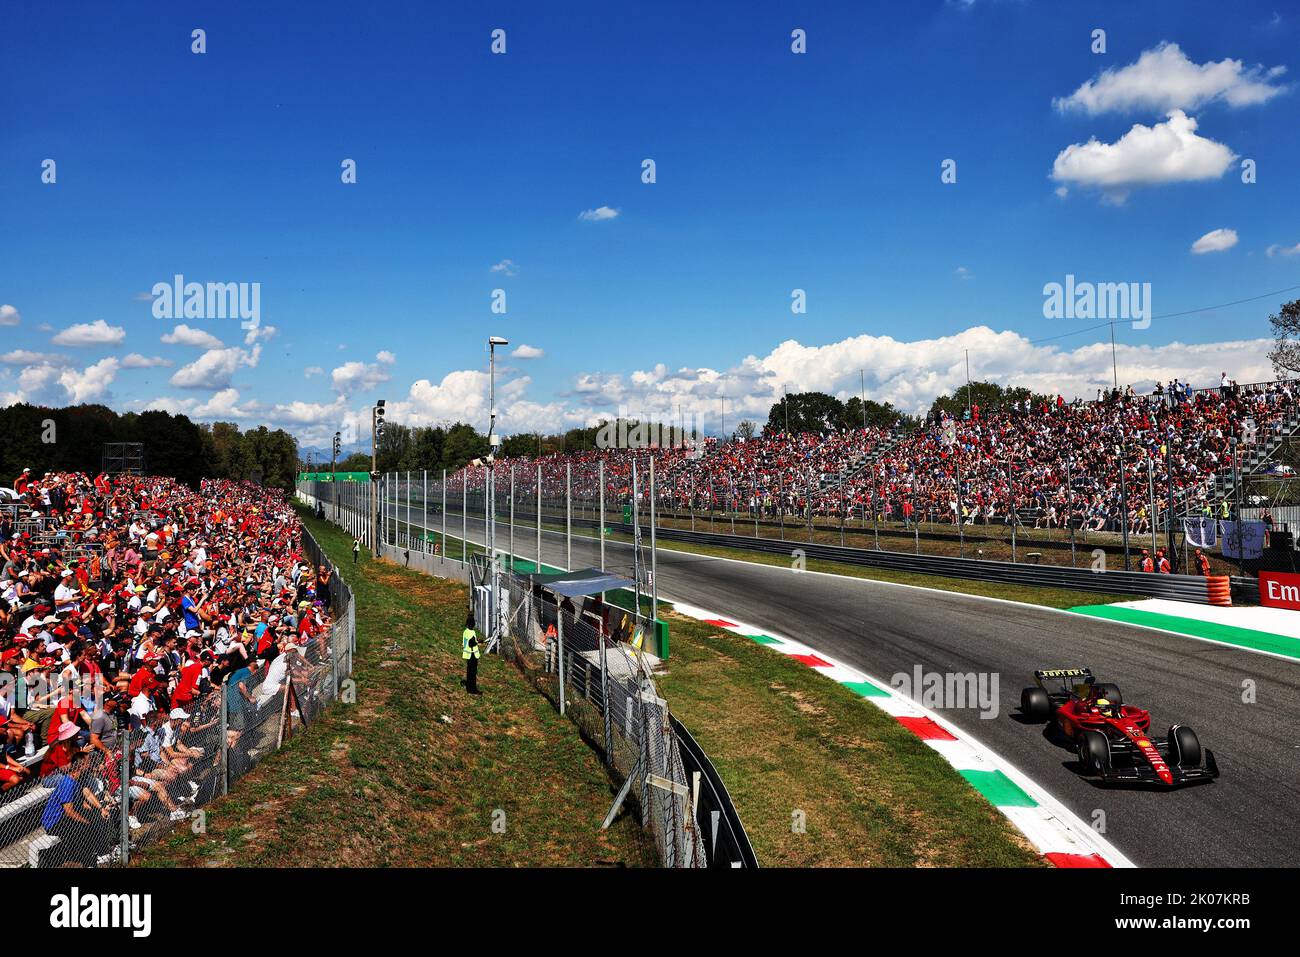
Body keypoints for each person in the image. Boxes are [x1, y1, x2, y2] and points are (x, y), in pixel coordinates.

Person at [462, 613, 481, 695]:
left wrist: (477, 641)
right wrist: (476, 642)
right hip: (471, 654)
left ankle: (471, 688)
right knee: (472, 673)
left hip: (471, 655)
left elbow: (470, 642)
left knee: (471, 672)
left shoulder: (468, 631)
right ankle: (472, 689)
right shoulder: (469, 632)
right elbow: (470, 643)